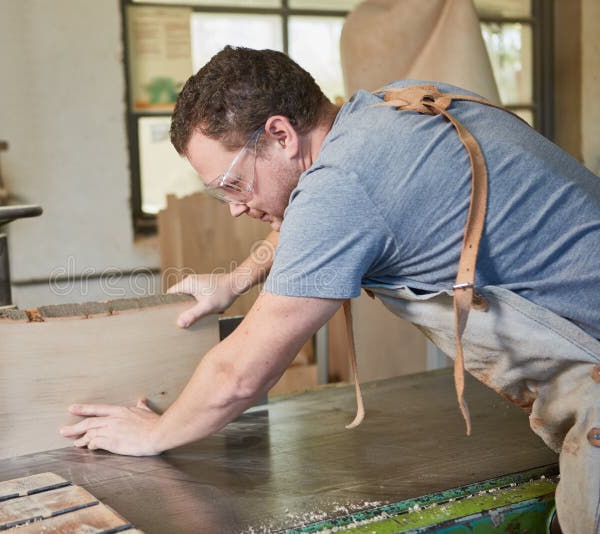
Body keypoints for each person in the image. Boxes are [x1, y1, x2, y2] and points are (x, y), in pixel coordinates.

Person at [60, 47, 600, 533]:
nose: (234, 207)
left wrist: (153, 435)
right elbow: (304, 220)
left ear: (280, 134)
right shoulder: (389, 108)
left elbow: (239, 375)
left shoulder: (342, 188)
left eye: (232, 183)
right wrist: (233, 281)